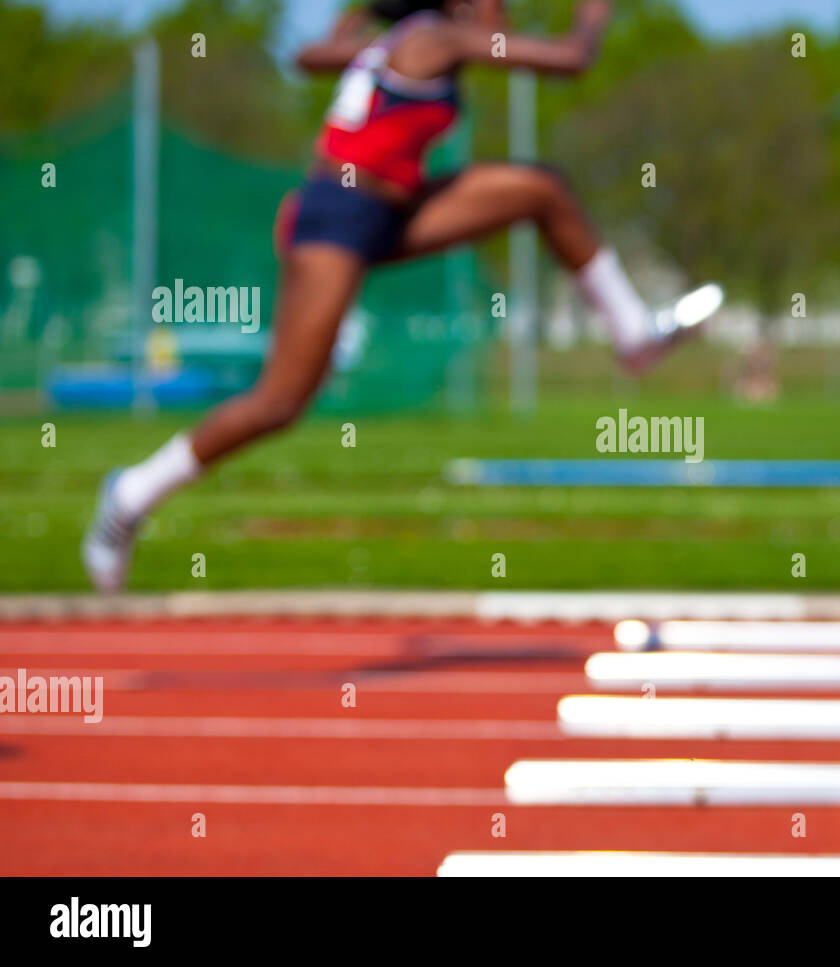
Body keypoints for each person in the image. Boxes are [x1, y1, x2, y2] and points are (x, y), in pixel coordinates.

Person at [83, 0, 723, 593]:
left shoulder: (404, 39)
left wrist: (363, 27)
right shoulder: (436, 37)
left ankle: (634, 335)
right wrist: (591, 16)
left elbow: (309, 58)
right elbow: (570, 62)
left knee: (540, 190)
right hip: (336, 215)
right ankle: (132, 495)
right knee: (280, 400)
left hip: (391, 207)